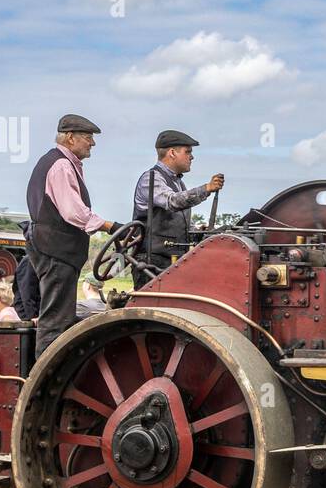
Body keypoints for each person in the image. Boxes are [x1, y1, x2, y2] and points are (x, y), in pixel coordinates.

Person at [26, 114, 119, 356]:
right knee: (56, 318)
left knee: (60, 314)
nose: (92, 143)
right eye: (88, 137)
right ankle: (44, 381)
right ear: (70, 137)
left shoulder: (58, 162)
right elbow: (73, 212)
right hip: (57, 249)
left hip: (56, 249)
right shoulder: (61, 165)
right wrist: (110, 226)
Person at [131, 130, 224, 288]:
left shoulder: (178, 183)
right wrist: (206, 188)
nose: (192, 157)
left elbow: (173, 219)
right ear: (172, 153)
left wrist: (196, 230)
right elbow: (172, 201)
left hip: (172, 260)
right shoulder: (151, 178)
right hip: (151, 261)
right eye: (187, 152)